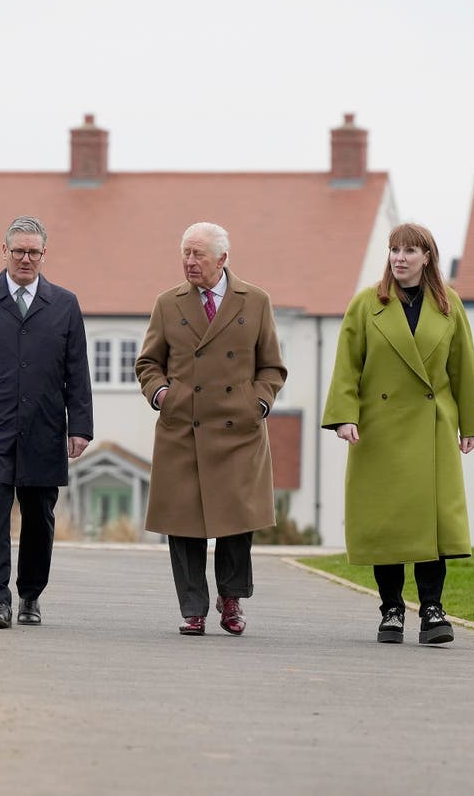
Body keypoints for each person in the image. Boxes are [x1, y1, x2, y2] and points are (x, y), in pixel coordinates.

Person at [322, 222, 474, 644]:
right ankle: (392, 609)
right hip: (378, 429)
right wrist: (344, 416)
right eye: (395, 250)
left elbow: (463, 368)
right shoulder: (366, 304)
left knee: (434, 521)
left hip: (433, 427)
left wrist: (471, 425)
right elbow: (347, 366)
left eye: (410, 251)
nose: (399, 258)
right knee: (387, 521)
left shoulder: (449, 304)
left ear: (427, 257)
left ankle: (432, 609)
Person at [136, 221, 287, 636]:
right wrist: (162, 394)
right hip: (183, 428)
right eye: (185, 253)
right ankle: (193, 608)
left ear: (222, 258)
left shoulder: (255, 301)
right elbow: (148, 363)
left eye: (197, 254)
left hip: (239, 428)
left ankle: (232, 599)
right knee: (183, 523)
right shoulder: (168, 303)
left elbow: (272, 366)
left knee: (237, 520)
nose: (189, 261)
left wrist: (258, 402)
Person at [0, 216, 93, 629]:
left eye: (33, 252)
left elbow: (77, 372)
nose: (25, 259)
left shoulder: (64, 304)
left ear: (44, 254)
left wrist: (80, 427)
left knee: (39, 517)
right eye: (18, 251)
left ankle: (30, 595)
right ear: (4, 251)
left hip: (44, 427)